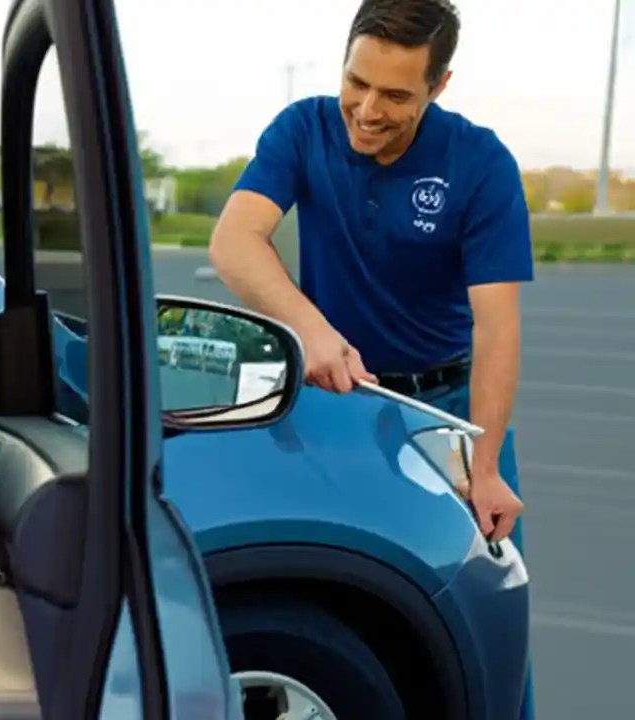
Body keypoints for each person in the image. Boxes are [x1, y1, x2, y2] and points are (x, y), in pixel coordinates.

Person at [208, 0, 535, 714]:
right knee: (329, 601)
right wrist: (313, 331)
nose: (366, 109)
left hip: (445, 415)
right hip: (336, 399)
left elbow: (498, 329)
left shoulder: (479, 163)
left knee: (485, 634)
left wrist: (483, 469)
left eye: (395, 95)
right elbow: (234, 243)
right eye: (357, 82)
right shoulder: (303, 128)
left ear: (438, 86)